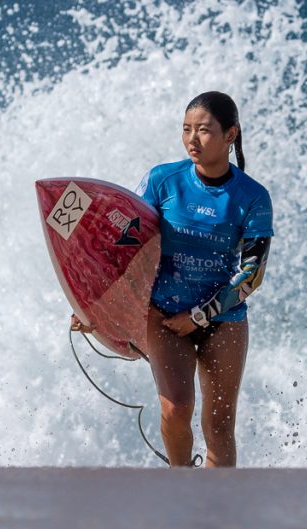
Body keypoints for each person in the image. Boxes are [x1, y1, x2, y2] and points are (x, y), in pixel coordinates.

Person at [74, 91, 273, 467]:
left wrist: (199, 316)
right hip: (165, 313)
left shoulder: (252, 197)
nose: (192, 139)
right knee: (176, 408)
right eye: (186, 129)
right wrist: (92, 305)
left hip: (223, 318)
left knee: (219, 425)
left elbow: (252, 274)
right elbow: (124, 250)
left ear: (231, 135)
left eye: (204, 130)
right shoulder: (162, 180)